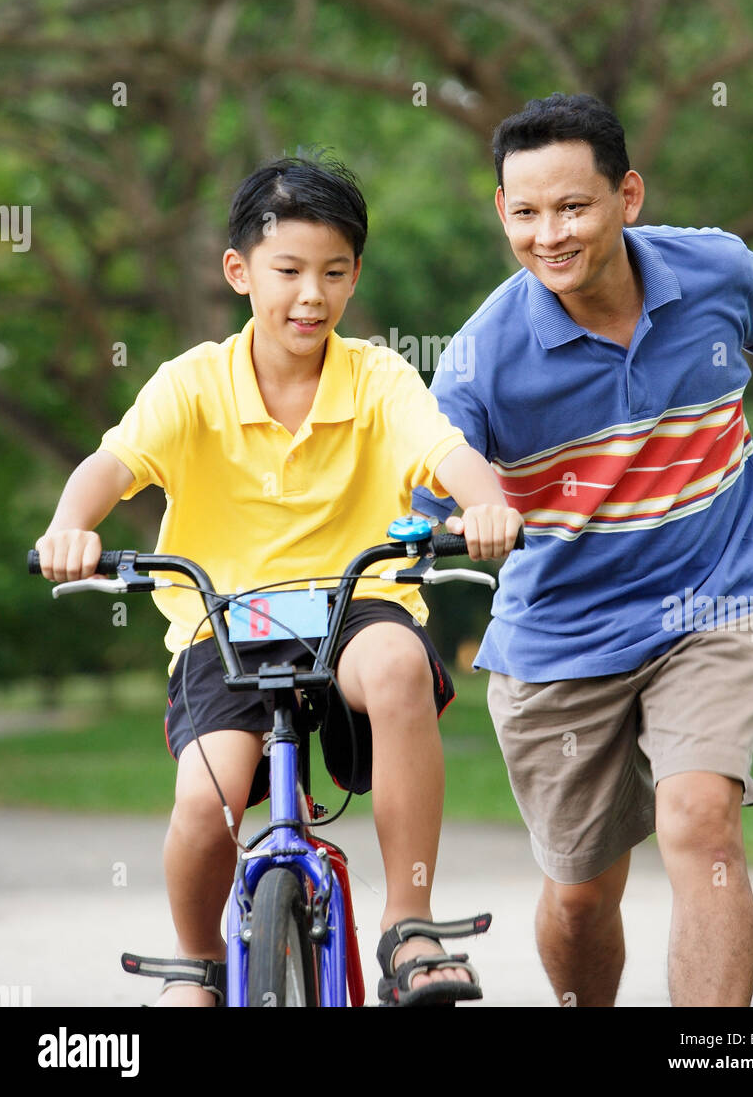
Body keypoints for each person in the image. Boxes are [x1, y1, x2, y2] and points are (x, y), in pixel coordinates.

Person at [34, 151, 523, 1008]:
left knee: (402, 669)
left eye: (334, 273)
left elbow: (451, 456)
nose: (311, 295)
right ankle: (197, 967)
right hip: (225, 625)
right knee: (203, 800)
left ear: (355, 276)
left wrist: (487, 508)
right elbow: (108, 468)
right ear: (238, 271)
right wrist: (70, 529)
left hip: (355, 609)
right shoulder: (192, 384)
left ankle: (408, 922)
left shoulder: (376, 377)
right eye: (288, 270)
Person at [412, 92, 753, 1007]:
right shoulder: (482, 357)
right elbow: (431, 476)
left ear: (628, 196)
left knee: (702, 824)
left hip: (713, 605)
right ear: (501, 212)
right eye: (525, 213)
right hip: (560, 641)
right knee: (579, 896)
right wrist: (473, 508)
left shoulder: (717, 271)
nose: (549, 234)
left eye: (573, 206)